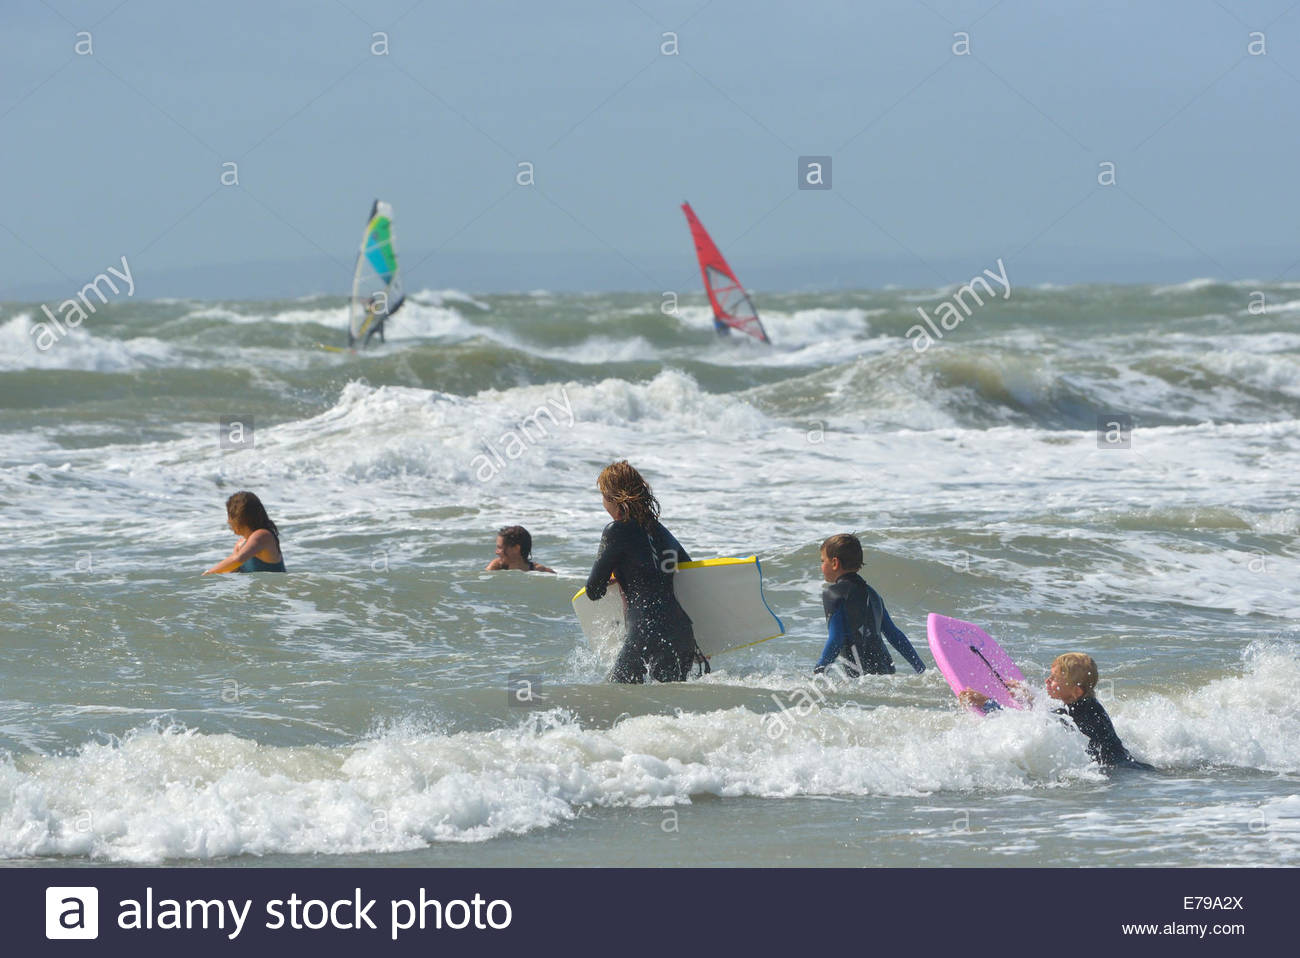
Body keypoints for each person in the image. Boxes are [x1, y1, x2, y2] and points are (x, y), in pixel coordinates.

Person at [584, 461, 701, 683]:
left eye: (603, 496)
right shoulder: (662, 532)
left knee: (614, 701)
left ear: (614, 498)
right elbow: (688, 570)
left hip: (646, 634)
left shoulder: (616, 531)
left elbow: (593, 590)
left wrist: (615, 576)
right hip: (682, 633)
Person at [958, 653, 1152, 769]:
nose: (1047, 681)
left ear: (1076, 691)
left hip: (1116, 770)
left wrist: (988, 704)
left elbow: (1030, 723)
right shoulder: (1087, 705)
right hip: (1125, 763)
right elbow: (1050, 715)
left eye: (1054, 679)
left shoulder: (1082, 712)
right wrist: (1030, 698)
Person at [814, 533, 926, 676]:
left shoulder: (833, 594)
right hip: (887, 670)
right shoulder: (873, 594)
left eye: (823, 561)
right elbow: (895, 635)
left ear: (835, 563)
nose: (822, 565)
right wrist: (921, 669)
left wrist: (820, 669)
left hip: (862, 675)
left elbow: (837, 637)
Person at [202, 491, 286, 574]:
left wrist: (209, 573)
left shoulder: (262, 536)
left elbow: (238, 559)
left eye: (230, 515)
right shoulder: (240, 545)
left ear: (239, 516)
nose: (228, 521)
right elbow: (231, 571)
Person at [485, 525, 555, 573]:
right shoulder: (496, 567)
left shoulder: (539, 571)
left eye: (500, 547)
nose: (496, 552)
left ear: (516, 548)